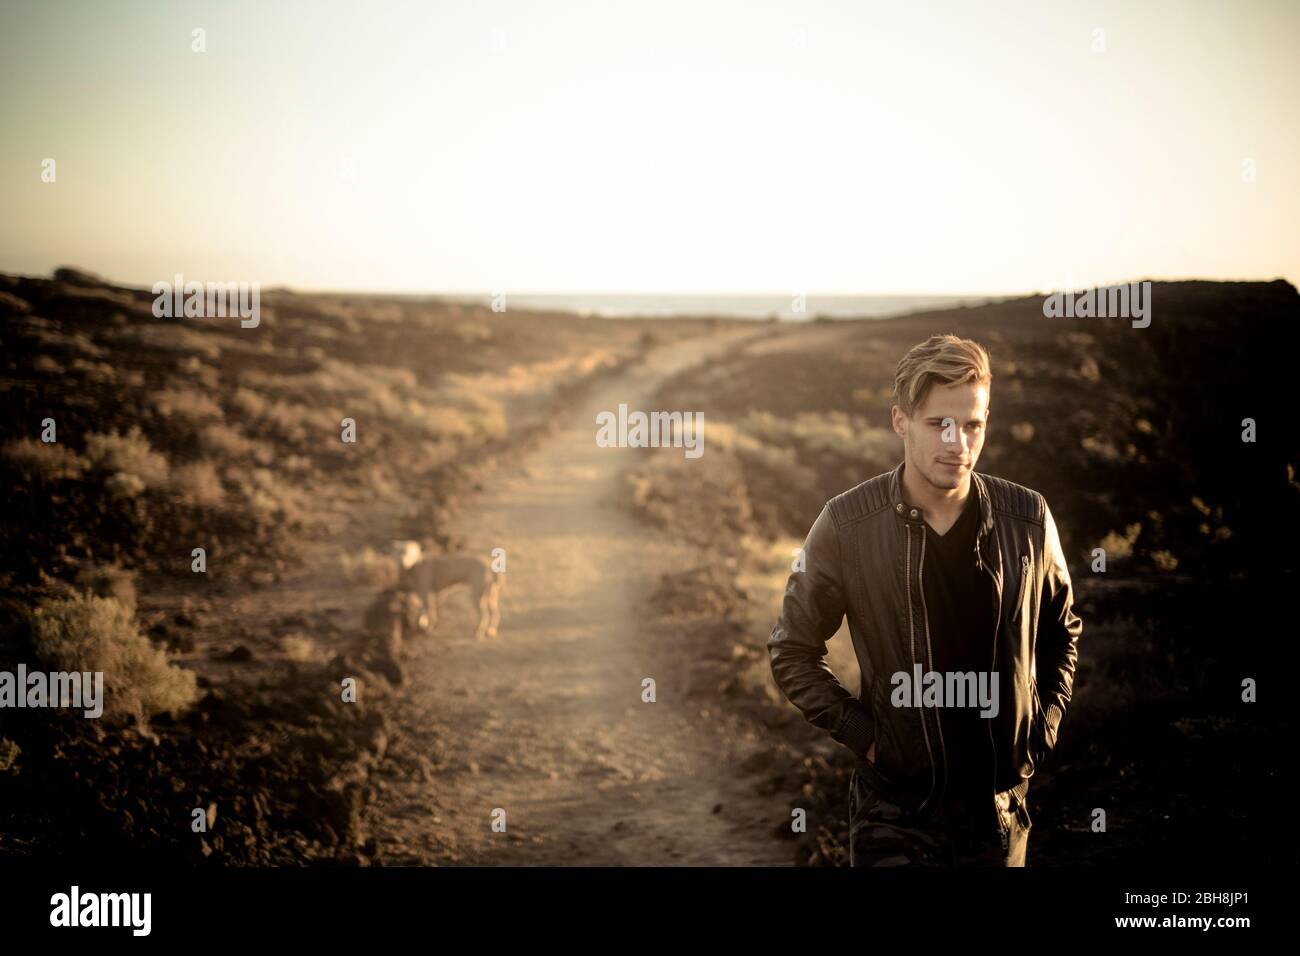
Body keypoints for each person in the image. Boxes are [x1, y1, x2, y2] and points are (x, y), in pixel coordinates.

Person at [766, 333, 1082, 866]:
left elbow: (1062, 631)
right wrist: (869, 740)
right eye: (939, 423)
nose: (957, 442)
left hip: (1000, 812)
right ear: (900, 422)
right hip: (896, 811)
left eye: (973, 424)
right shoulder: (847, 524)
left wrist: (1040, 732)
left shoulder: (1027, 518)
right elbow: (791, 649)